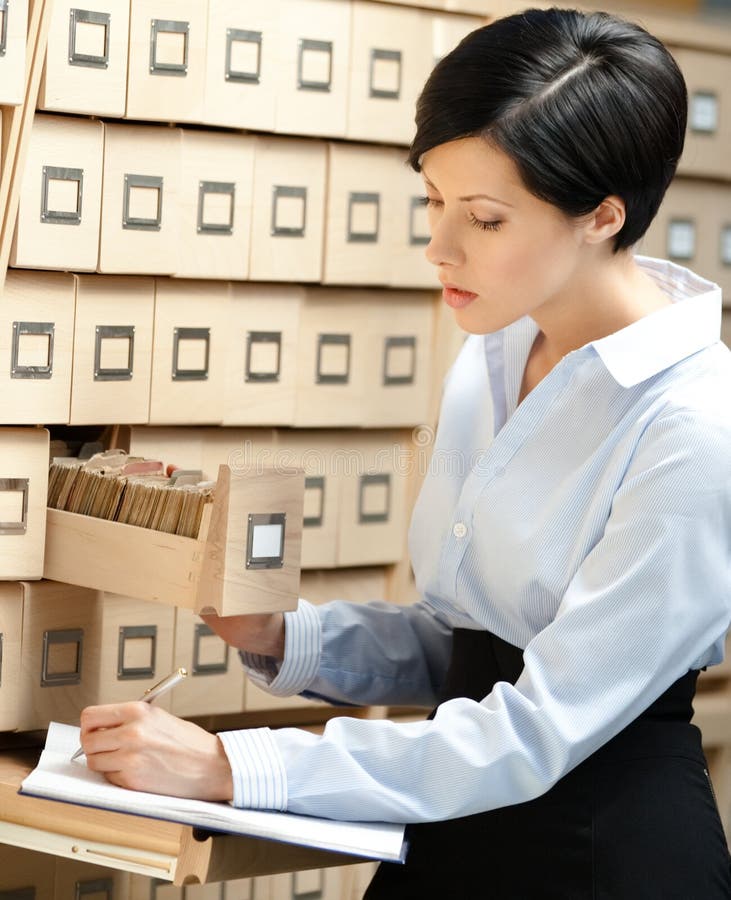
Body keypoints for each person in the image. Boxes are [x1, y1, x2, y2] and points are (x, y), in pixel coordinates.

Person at [79, 7, 731, 897]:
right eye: (432, 199)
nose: (439, 246)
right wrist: (285, 635)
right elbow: (468, 640)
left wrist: (231, 766)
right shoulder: (494, 352)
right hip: (453, 827)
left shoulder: (695, 425)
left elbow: (538, 727)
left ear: (601, 216)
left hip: (600, 855)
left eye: (485, 218)